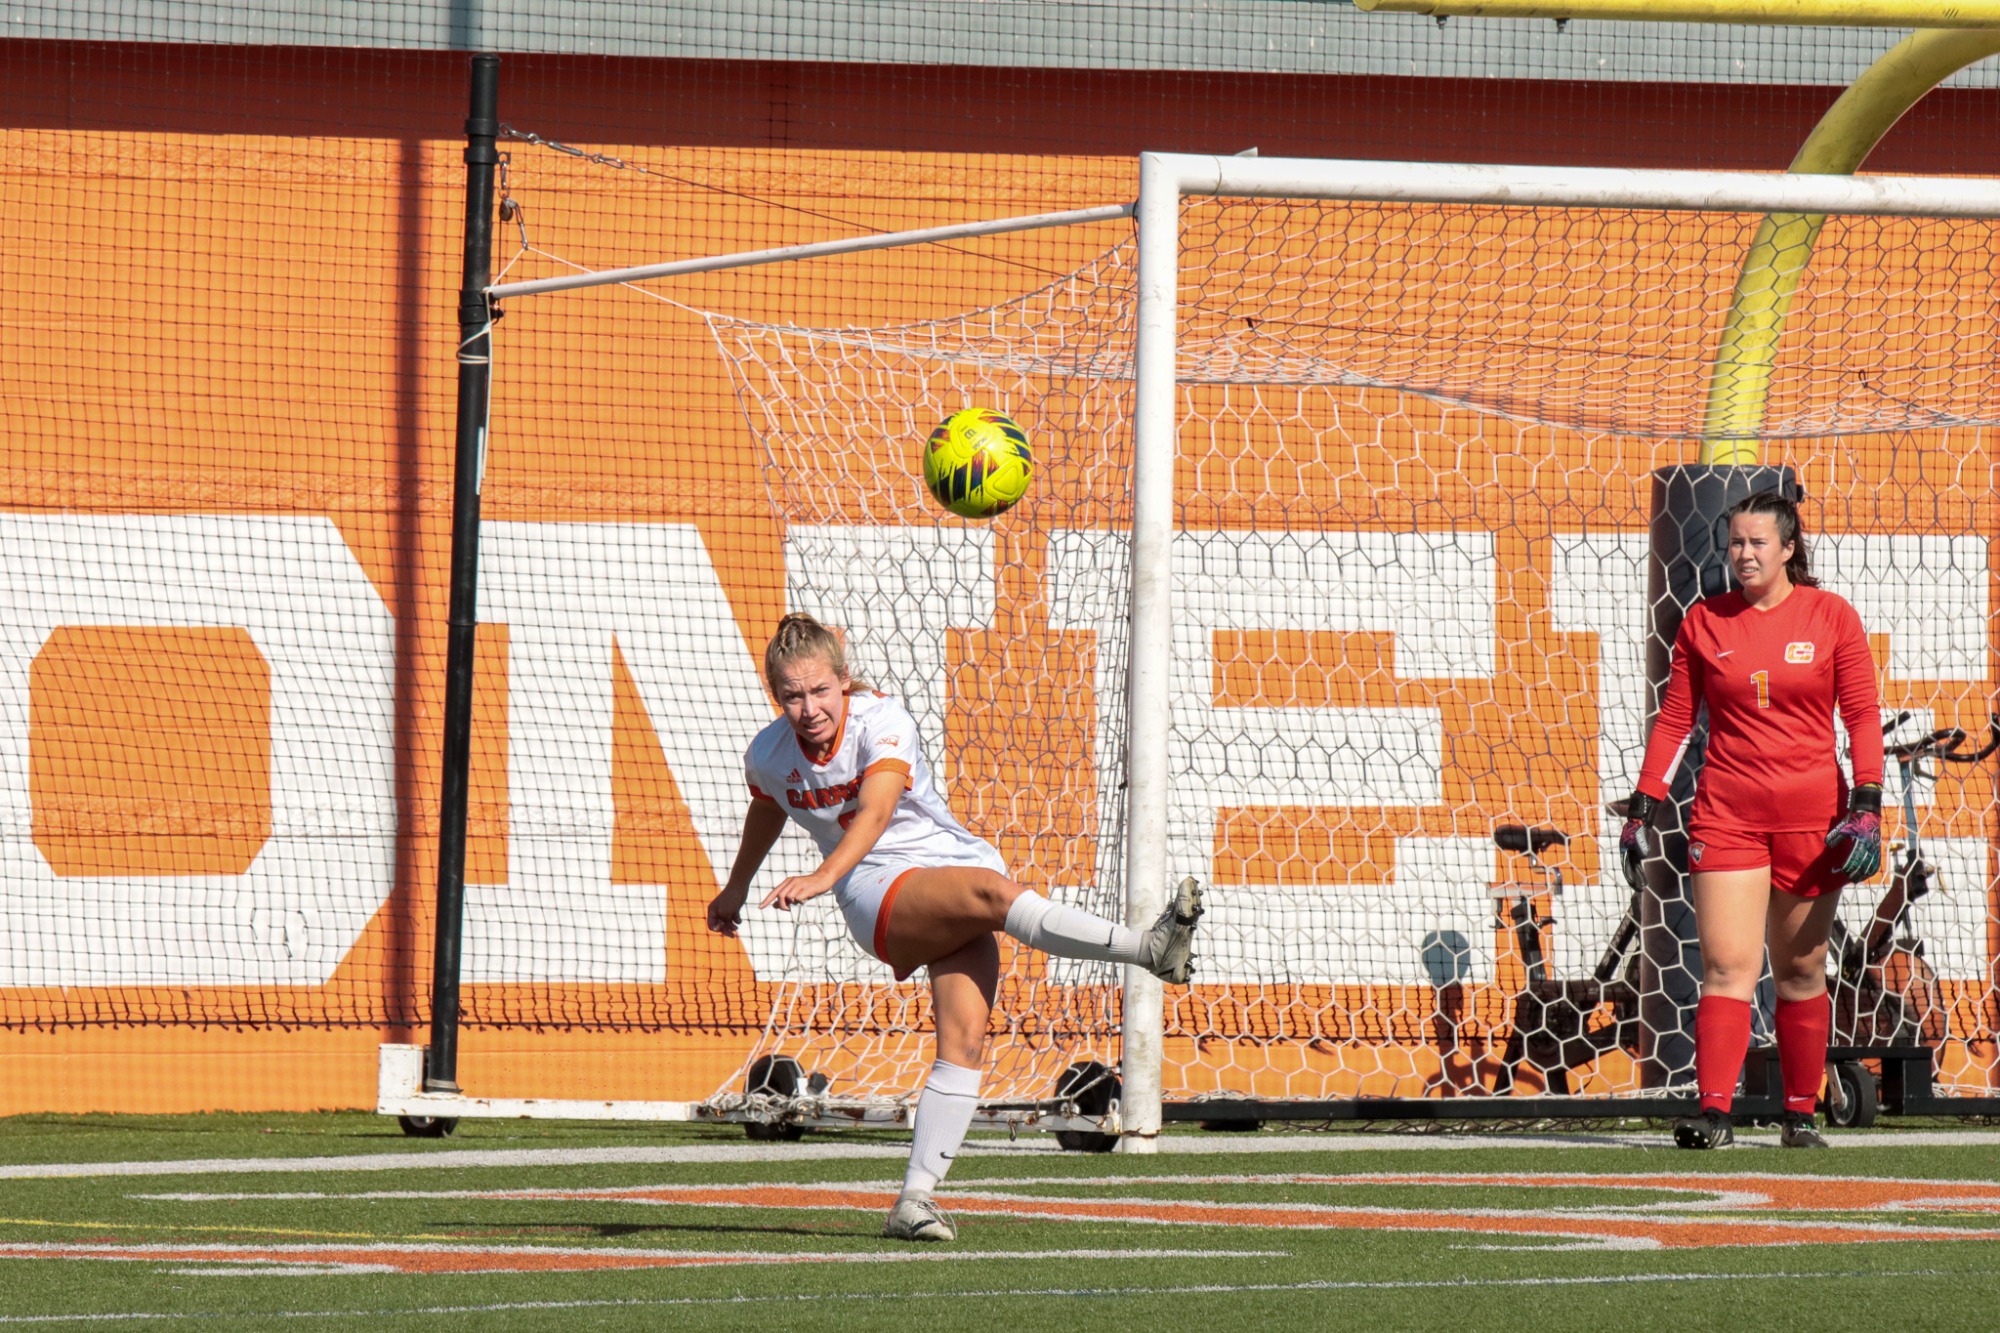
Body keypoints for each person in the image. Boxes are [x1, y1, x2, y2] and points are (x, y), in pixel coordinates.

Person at [707, 612, 1204, 1239]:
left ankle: (913, 1201)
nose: (808, 708)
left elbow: (880, 806)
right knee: (996, 895)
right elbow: (767, 808)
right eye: (792, 695)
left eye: (819, 690)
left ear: (845, 681)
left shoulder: (881, 722)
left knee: (965, 1045)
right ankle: (1149, 948)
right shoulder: (768, 753)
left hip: (941, 862)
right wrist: (738, 887)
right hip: (874, 886)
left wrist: (820, 872)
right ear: (775, 695)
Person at [1621, 490, 1882, 1150]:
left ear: (1788, 548)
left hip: (1812, 818)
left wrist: (1869, 802)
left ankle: (1800, 1114)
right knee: (1727, 966)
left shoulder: (1832, 617)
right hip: (1727, 814)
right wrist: (1644, 803)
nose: (1742, 553)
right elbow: (1677, 718)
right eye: (1734, 542)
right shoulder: (1705, 621)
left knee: (1801, 970)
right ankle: (1715, 1114)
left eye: (1757, 542)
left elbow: (1860, 716)